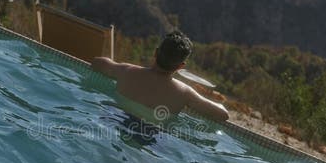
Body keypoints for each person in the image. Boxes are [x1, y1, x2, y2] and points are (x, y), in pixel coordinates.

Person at [91, 30, 229, 124]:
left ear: (155, 53)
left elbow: (97, 62)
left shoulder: (127, 70)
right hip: (149, 137)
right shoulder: (184, 93)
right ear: (181, 66)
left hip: (113, 120)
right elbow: (223, 114)